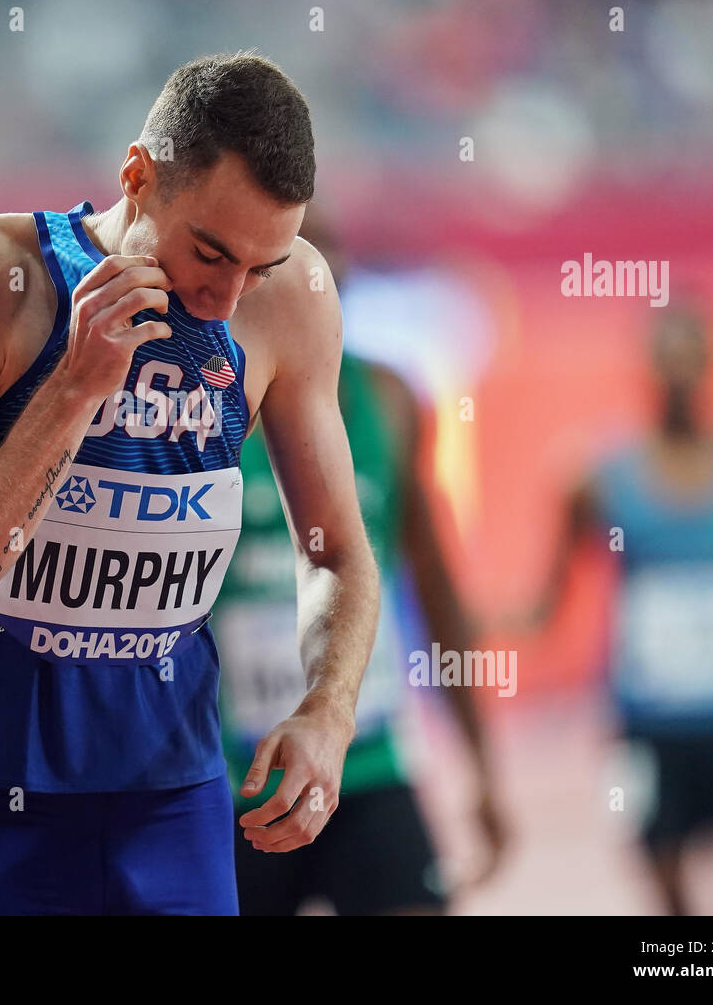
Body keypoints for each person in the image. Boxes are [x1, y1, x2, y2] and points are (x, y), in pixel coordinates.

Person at [0, 51, 381, 915]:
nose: (227, 299)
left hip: (173, 797)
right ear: (138, 175)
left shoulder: (294, 295)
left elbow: (338, 550)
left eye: (258, 267)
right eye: (211, 253)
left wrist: (328, 711)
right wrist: (74, 387)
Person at [215, 210, 506, 915]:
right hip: (231, 776)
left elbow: (433, 582)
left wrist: (482, 766)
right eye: (296, 265)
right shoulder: (206, 395)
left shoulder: (390, 400)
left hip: (362, 763)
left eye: (333, 269)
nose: (319, 285)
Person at [519, 303, 713, 916]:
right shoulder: (603, 478)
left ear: (711, 363)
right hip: (648, 734)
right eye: (667, 360)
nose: (680, 375)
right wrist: (471, 629)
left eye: (691, 359)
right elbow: (545, 603)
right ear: (648, 368)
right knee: (673, 914)